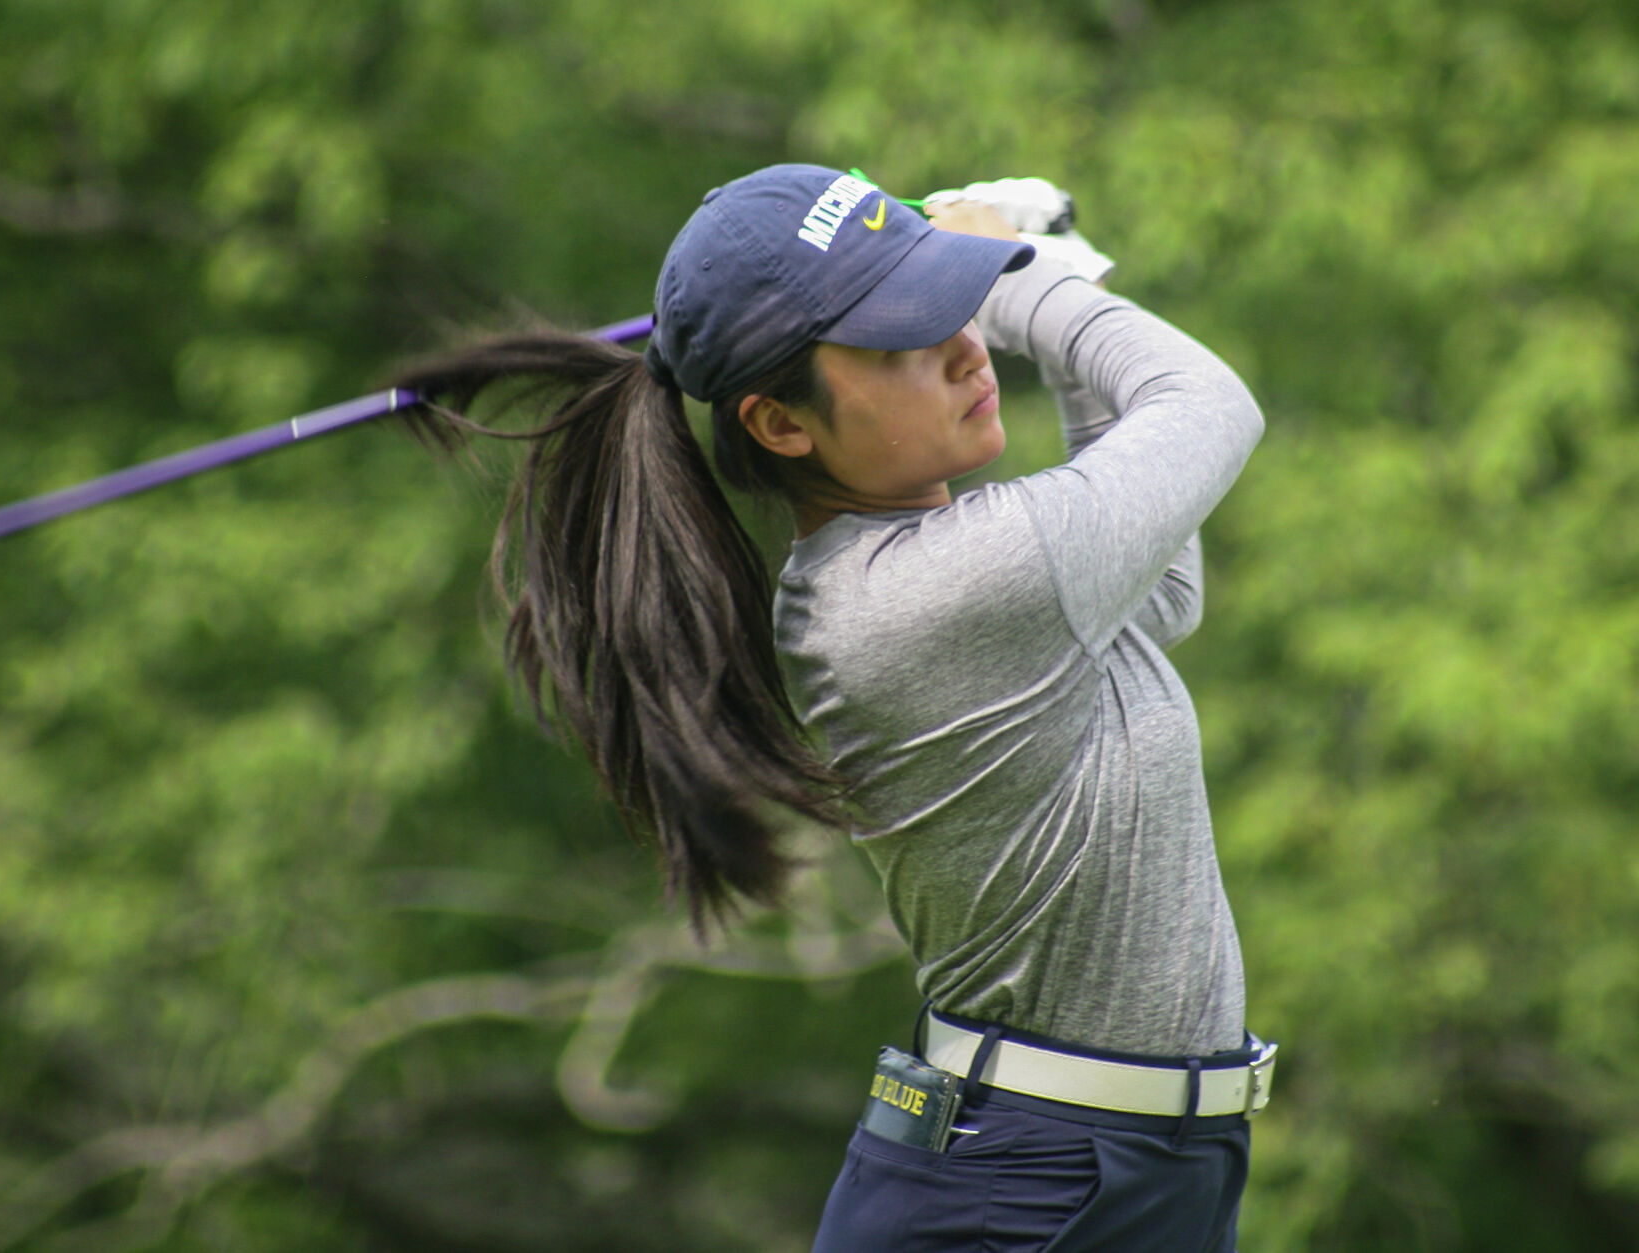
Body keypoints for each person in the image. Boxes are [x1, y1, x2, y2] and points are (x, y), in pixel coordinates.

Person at [392, 163, 1270, 1253]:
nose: (962, 348)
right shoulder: (919, 596)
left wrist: (1041, 277)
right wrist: (1027, 282)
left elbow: (1164, 585)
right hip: (1022, 1197)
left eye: (950, 307)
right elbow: (1207, 405)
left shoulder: (970, 576)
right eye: (906, 335)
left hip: (1133, 1172)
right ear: (780, 422)